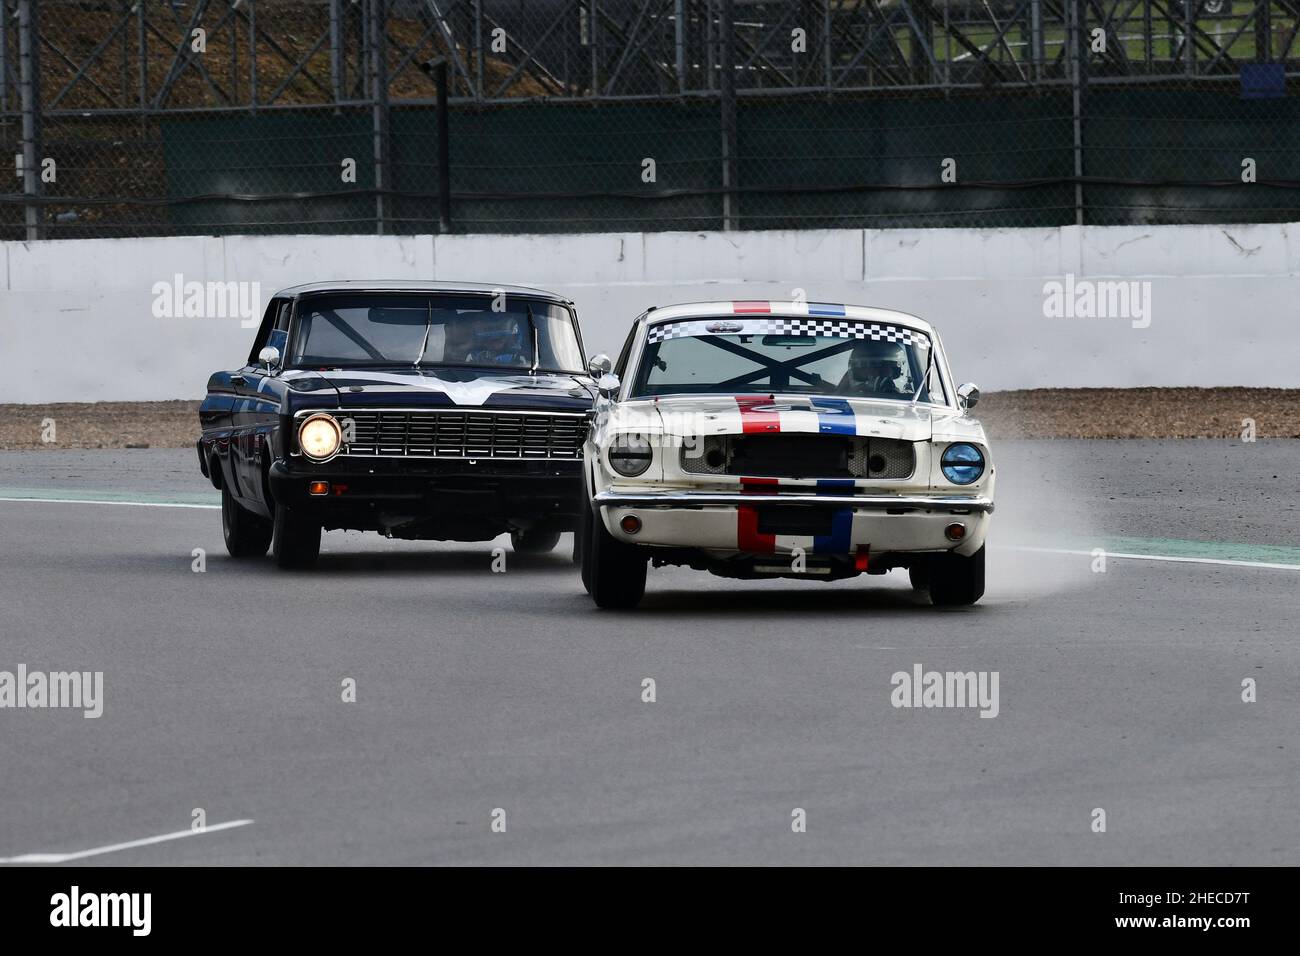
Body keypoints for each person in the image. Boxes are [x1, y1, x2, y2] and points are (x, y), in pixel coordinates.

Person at [837, 339, 909, 396]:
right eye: (867, 365)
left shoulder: (912, 399)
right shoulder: (842, 400)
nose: (876, 378)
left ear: (896, 371)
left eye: (882, 371)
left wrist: (895, 394)